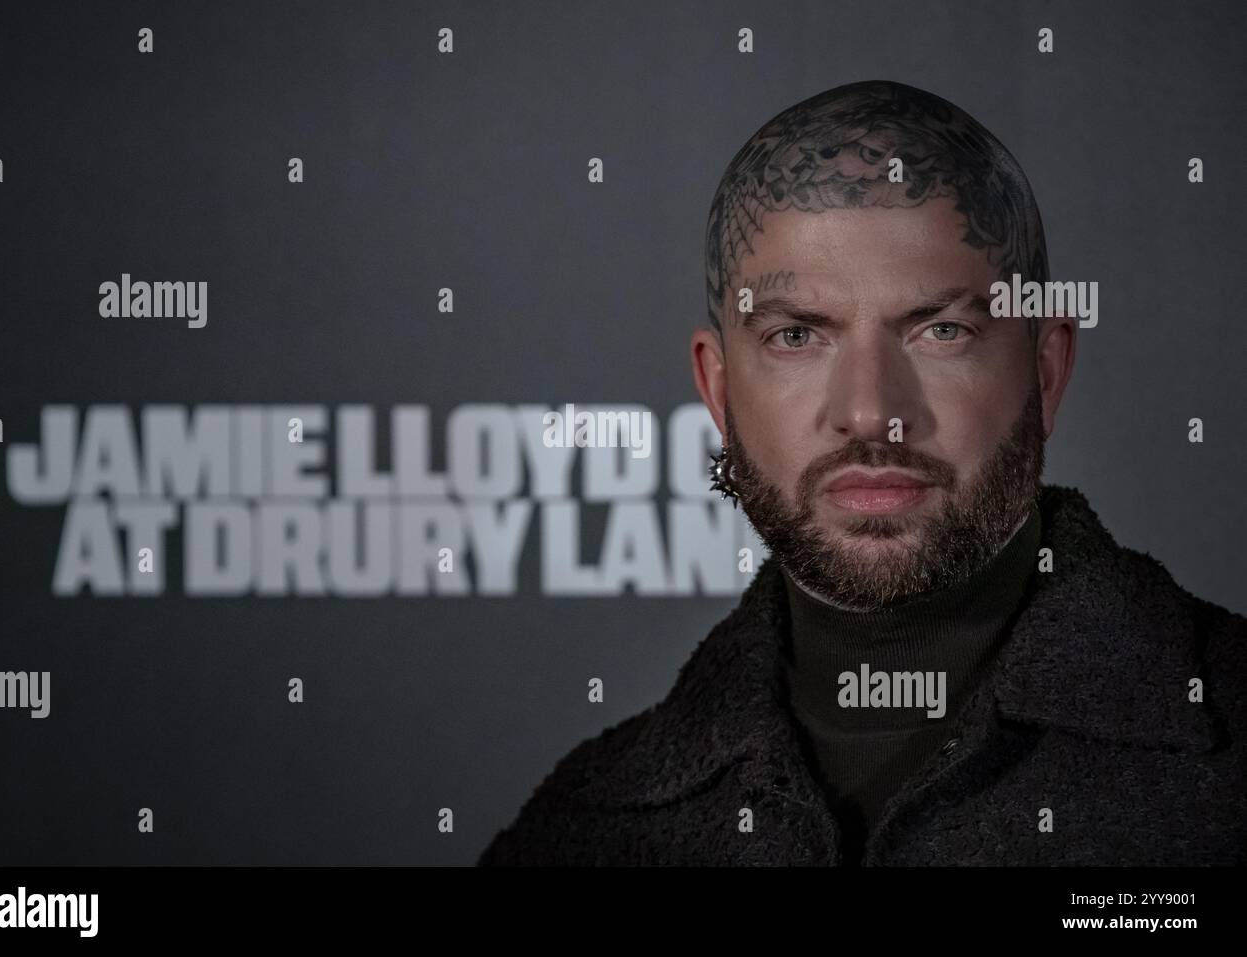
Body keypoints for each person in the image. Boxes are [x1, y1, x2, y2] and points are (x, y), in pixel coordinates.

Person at [477, 79, 1247, 866]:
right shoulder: (587, 831)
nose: (871, 410)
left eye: (941, 330)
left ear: (1045, 369)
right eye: (796, 337)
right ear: (718, 390)